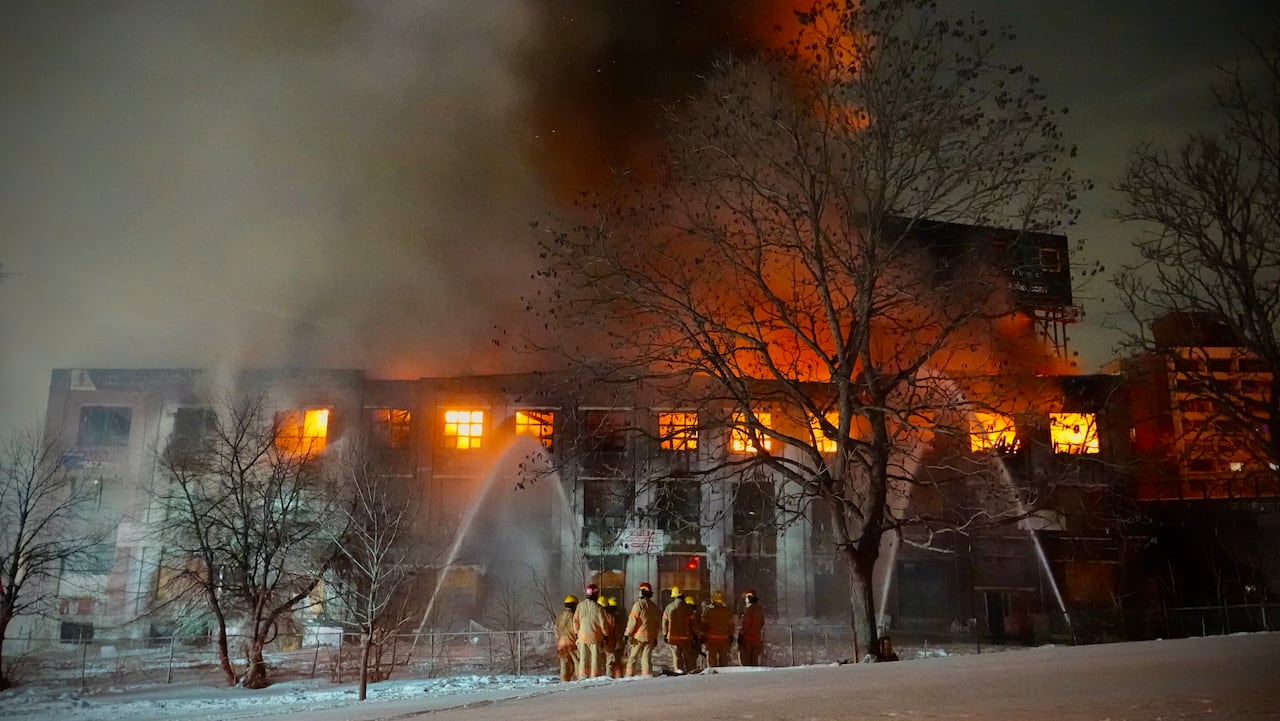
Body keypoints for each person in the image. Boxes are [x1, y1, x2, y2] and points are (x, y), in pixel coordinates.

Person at [573, 583, 611, 679]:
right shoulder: (598, 608)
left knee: (583, 659)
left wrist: (577, 632)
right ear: (595, 594)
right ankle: (595, 677)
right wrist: (606, 635)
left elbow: (575, 621)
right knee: (595, 659)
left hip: (582, 637)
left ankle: (583, 676)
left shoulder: (579, 606)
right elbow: (603, 624)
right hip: (595, 637)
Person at [624, 581, 662, 677]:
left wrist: (627, 634)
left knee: (633, 657)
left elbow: (633, 621)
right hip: (650, 636)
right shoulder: (654, 606)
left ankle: (629, 675)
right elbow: (657, 623)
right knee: (646, 658)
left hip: (638, 636)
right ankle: (647, 675)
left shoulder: (638, 605)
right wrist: (655, 636)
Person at [662, 585, 695, 673]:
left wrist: (665, 634)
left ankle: (678, 671)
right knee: (688, 657)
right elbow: (693, 622)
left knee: (676, 656)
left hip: (673, 638)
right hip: (686, 637)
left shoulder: (669, 608)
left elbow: (665, 622)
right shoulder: (688, 608)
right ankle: (691, 671)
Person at [701, 591, 735, 667]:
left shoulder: (709, 611)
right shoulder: (727, 611)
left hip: (711, 640)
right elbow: (731, 626)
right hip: (724, 639)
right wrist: (730, 636)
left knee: (712, 661)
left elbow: (704, 626)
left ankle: (712, 677)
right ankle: (723, 676)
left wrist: (702, 636)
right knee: (724, 660)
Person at [738, 589, 765, 666]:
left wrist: (741, 635)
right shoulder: (759, 610)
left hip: (747, 639)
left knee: (745, 661)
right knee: (754, 661)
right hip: (756, 639)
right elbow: (762, 623)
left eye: (746, 598)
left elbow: (746, 624)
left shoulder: (749, 610)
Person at [555, 594, 579, 682]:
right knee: (577, 662)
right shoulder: (574, 616)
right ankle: (579, 680)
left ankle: (564, 682)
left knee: (564, 664)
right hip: (572, 643)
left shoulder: (559, 617)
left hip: (561, 644)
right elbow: (576, 629)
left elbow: (556, 630)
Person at [606, 596, 626, 677]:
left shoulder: (611, 617)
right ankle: (619, 678)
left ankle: (609, 678)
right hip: (620, 643)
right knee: (618, 662)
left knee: (610, 662)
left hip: (611, 643)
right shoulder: (622, 615)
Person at [682, 594, 702, 672]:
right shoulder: (694, 614)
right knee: (692, 658)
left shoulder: (683, 613)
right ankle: (691, 670)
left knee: (687, 657)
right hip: (693, 639)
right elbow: (696, 627)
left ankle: (689, 670)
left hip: (688, 639)